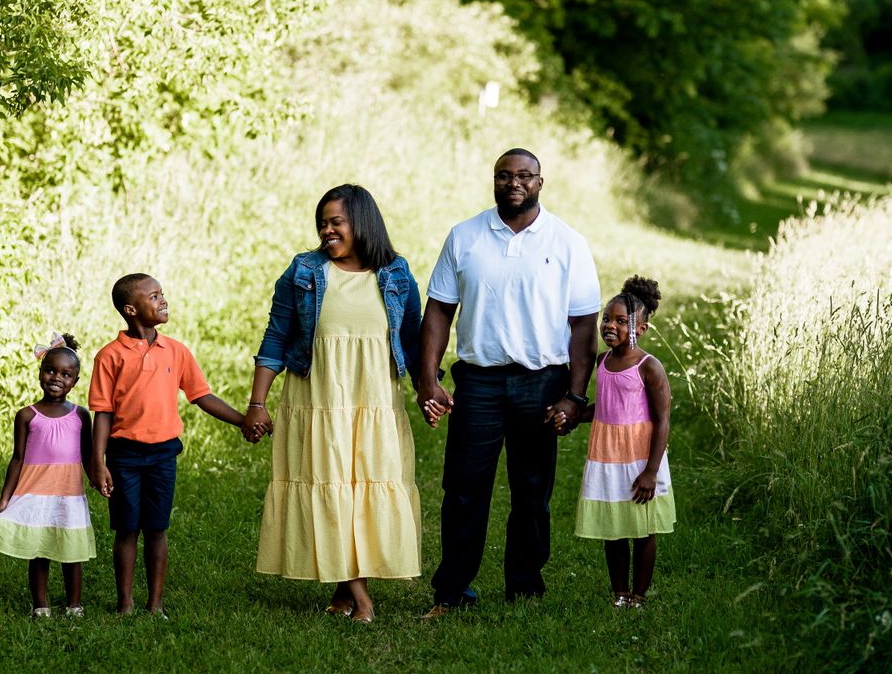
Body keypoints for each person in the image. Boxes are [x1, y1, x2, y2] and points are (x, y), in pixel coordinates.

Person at [417, 148, 601, 616]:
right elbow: (439, 309)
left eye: (524, 175)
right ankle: (453, 590)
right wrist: (428, 378)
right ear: (494, 181)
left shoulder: (567, 243)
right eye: (504, 175)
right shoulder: (465, 236)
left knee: (532, 490)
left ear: (540, 182)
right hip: (477, 382)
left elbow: (583, 325)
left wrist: (575, 395)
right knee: (463, 488)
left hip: (541, 382)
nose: (514, 182)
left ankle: (524, 587)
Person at [244, 184, 422, 624]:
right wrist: (257, 402)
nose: (326, 231)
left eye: (336, 222)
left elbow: (415, 343)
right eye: (322, 223)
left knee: (364, 486)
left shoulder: (396, 274)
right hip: (319, 398)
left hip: (374, 401)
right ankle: (362, 599)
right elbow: (275, 338)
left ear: (361, 223)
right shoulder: (304, 272)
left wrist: (429, 389)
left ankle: (344, 591)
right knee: (330, 482)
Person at [89, 273, 254, 616]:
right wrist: (98, 460)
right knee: (126, 529)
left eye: (162, 293)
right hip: (124, 456)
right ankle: (125, 604)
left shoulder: (176, 351)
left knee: (157, 529)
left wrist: (242, 420)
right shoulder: (110, 356)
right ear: (131, 309)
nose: (163, 300)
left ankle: (155, 604)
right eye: (154, 296)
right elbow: (102, 412)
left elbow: (202, 395)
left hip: (164, 454)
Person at [567, 275, 675, 608]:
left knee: (643, 529)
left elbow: (662, 420)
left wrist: (650, 472)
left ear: (641, 328)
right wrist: (572, 416)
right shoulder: (603, 363)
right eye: (606, 318)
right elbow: (606, 408)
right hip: (608, 455)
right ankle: (619, 593)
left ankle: (639, 595)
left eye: (621, 321)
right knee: (614, 527)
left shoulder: (649, 367)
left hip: (641, 457)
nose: (610, 325)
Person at [0, 332, 96, 618]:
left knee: (71, 552)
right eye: (50, 370)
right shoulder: (27, 415)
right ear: (40, 372)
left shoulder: (81, 416)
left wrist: (98, 479)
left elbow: (87, 455)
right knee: (38, 551)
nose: (56, 378)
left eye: (65, 374)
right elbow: (17, 458)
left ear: (75, 381)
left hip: (69, 494)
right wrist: (5, 498)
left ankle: (74, 604)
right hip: (35, 493)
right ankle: (41, 605)